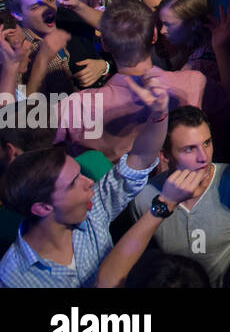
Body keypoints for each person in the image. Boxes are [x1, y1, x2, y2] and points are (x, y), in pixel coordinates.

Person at [0, 72, 169, 287]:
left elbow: (141, 158)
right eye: (73, 182)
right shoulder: (13, 278)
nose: (89, 181)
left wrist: (159, 114)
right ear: (42, 207)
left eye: (80, 173)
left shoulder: (92, 212)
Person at [126, 106, 230, 287]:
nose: (203, 157)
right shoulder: (145, 198)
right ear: (165, 155)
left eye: (207, 143)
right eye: (189, 149)